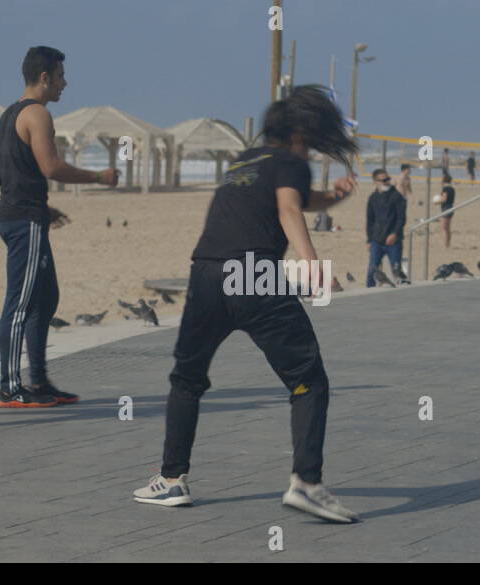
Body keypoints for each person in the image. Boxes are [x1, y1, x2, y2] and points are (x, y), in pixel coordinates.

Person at [133, 85, 361, 523]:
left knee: (187, 378)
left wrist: (332, 199)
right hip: (253, 274)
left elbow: (285, 198)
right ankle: (307, 484)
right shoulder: (292, 162)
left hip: (206, 273)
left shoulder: (247, 159)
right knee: (307, 382)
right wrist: (312, 265)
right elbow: (288, 209)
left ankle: (172, 480)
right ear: (304, 129)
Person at [0, 46, 119, 408]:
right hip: (22, 221)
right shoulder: (37, 114)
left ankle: (40, 382)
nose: (66, 83)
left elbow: (15, 173)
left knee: (45, 299)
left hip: (23, 213)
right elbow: (51, 167)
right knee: (19, 305)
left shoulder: (9, 114)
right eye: (61, 76)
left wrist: (44, 207)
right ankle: (10, 387)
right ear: (45, 77)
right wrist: (99, 176)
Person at [366, 168, 407, 287]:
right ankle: (368, 295)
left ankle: (401, 295)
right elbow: (370, 220)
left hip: (393, 241)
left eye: (388, 179)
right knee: (372, 272)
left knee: (396, 271)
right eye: (383, 180)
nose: (387, 182)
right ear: (376, 182)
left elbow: (401, 219)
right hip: (377, 241)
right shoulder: (373, 198)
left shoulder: (397, 196)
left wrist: (394, 233)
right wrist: (369, 239)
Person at [437, 173, 456, 248]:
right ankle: (448, 244)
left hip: (446, 208)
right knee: (448, 228)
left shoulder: (446, 189)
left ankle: (445, 245)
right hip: (451, 207)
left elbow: (444, 199)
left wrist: (436, 202)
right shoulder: (452, 188)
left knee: (444, 228)